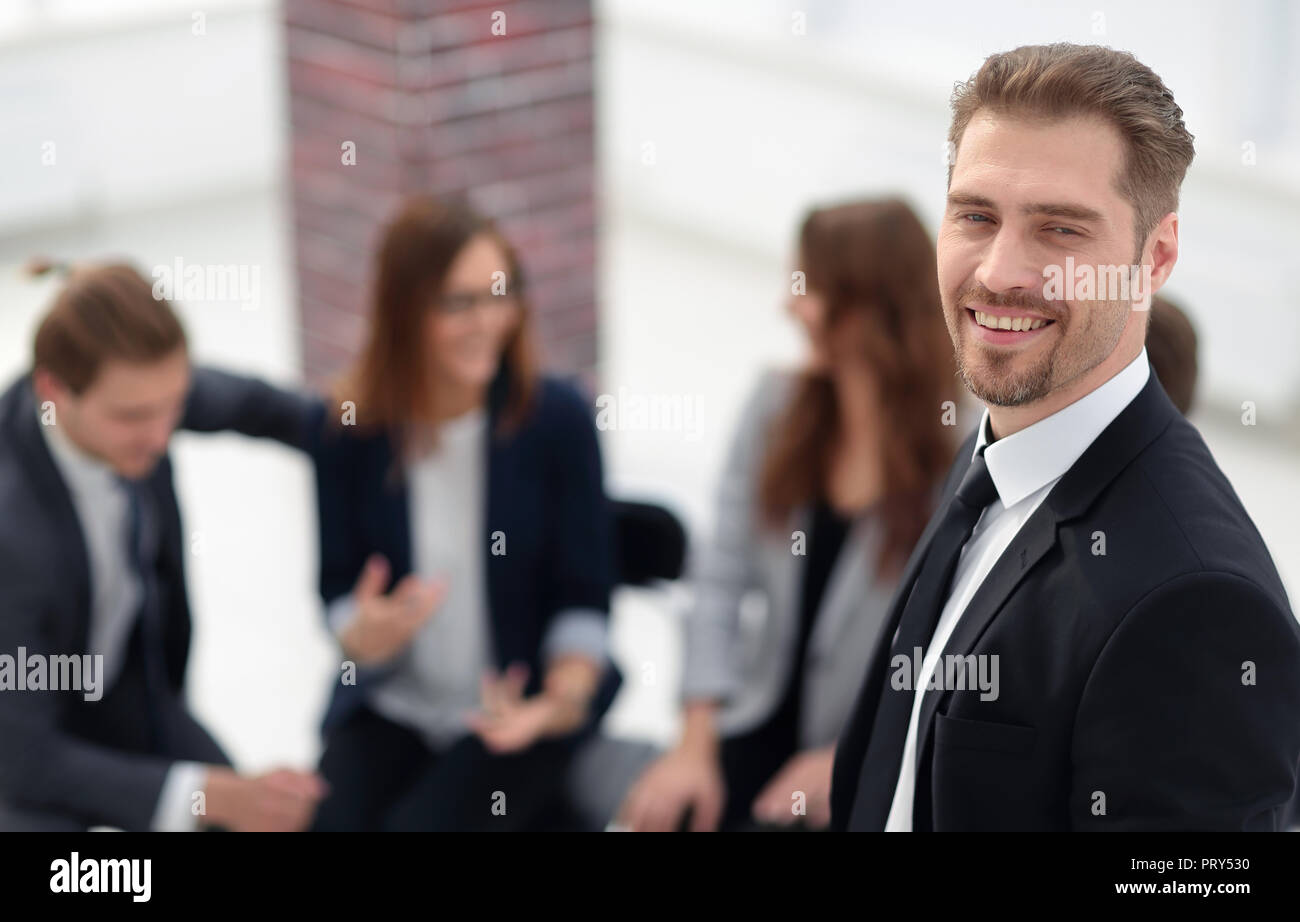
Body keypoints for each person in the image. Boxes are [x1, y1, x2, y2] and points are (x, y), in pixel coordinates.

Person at [831, 43, 1300, 831]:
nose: (1000, 272)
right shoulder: (996, 454)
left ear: (1154, 258)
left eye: (1060, 231)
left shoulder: (1197, 604)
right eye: (975, 215)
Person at [617, 199, 961, 831]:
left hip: (870, 753)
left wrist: (851, 758)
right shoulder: (775, 407)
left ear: (869, 304)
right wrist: (694, 743)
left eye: (810, 288)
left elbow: (955, 653)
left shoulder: (959, 446)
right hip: (754, 720)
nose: (790, 305)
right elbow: (717, 581)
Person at [309, 195, 619, 831]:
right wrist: (359, 633)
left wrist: (559, 701)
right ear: (405, 311)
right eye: (460, 302)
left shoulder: (557, 420)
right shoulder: (348, 426)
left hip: (513, 710)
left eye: (500, 295)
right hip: (391, 703)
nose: (489, 321)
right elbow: (337, 586)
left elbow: (584, 597)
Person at [0, 262, 327, 831]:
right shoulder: (12, 528)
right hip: (22, 742)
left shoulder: (140, 394)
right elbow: (25, 758)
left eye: (174, 404)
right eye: (134, 417)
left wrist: (378, 433)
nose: (161, 434)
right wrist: (199, 793)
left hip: (125, 693)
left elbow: (264, 409)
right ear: (52, 390)